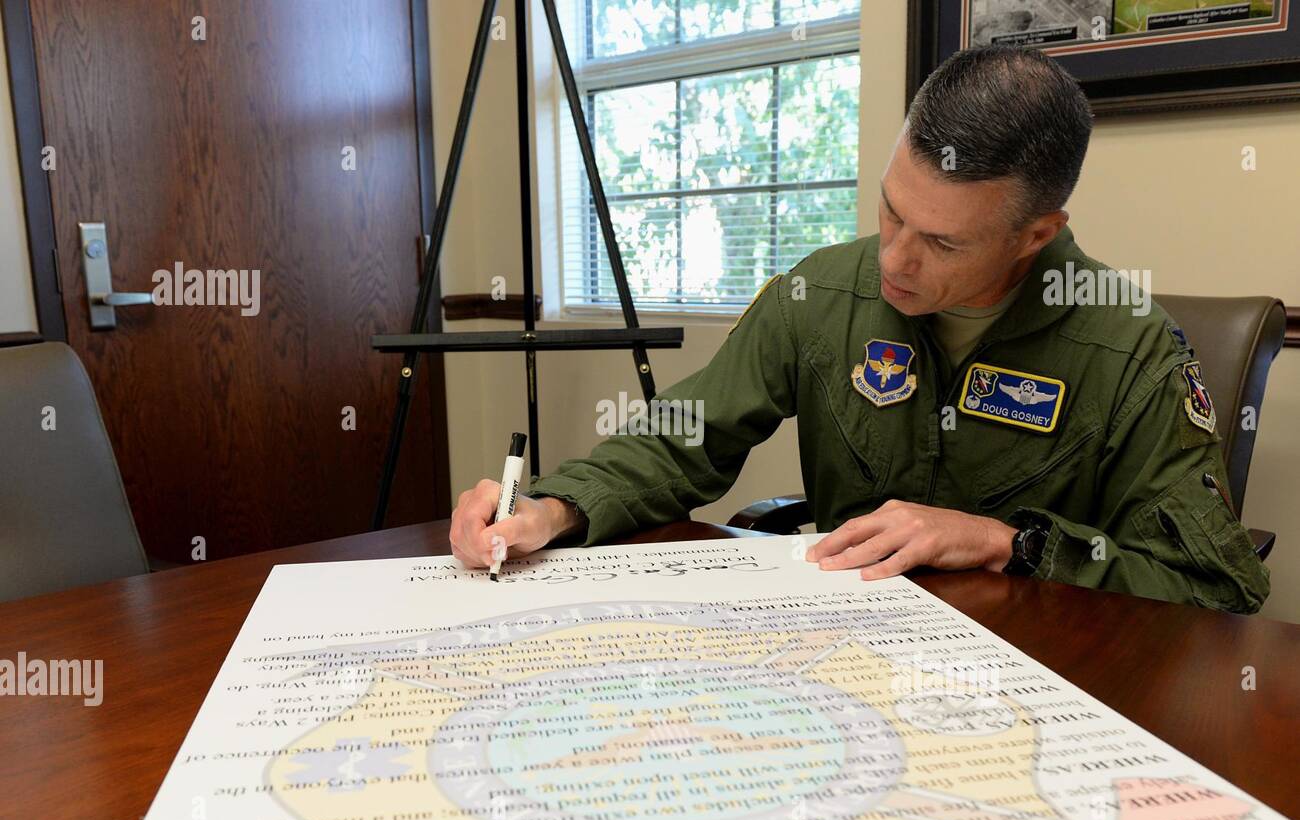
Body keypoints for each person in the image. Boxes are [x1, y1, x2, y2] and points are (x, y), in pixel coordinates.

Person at [449, 45, 1269, 614]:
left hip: (1039, 675)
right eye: (890, 208)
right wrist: (553, 509)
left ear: (1035, 236)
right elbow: (682, 437)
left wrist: (1007, 544)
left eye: (943, 242)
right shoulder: (821, 291)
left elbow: (1209, 588)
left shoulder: (1130, 348)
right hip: (845, 655)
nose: (896, 260)